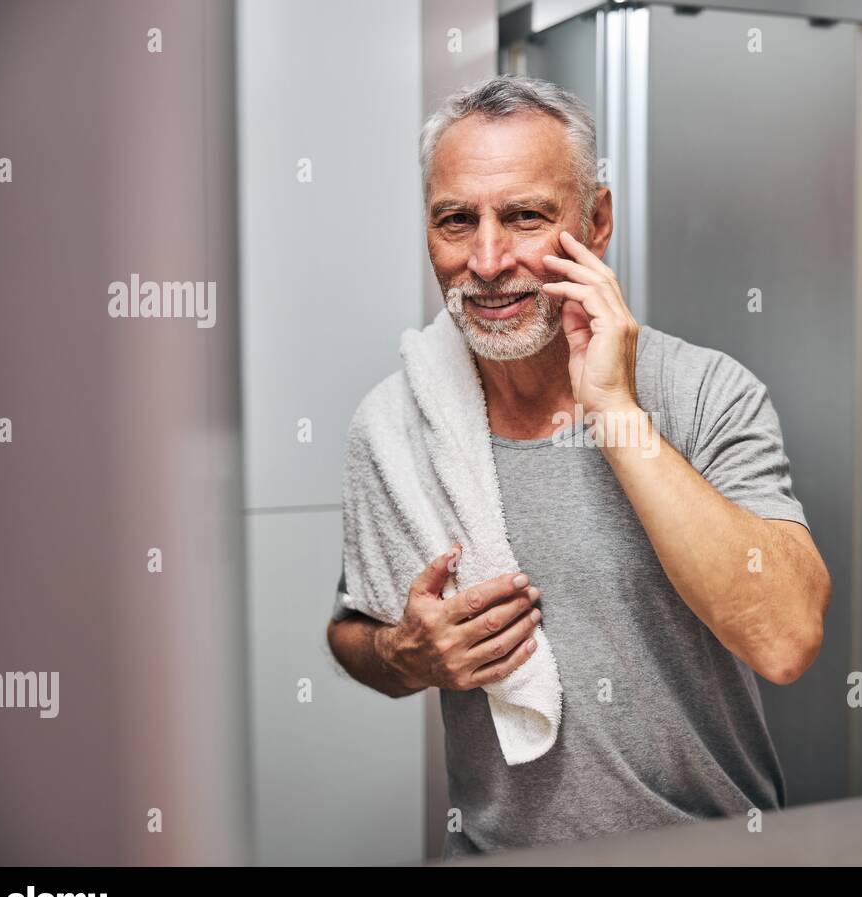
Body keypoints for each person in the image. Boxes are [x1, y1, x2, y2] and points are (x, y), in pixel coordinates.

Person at [327, 75, 831, 857]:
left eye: (525, 216)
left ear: (597, 222)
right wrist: (406, 655)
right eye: (457, 221)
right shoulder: (397, 424)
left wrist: (616, 413)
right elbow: (353, 628)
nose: (488, 261)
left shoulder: (703, 392)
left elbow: (785, 638)